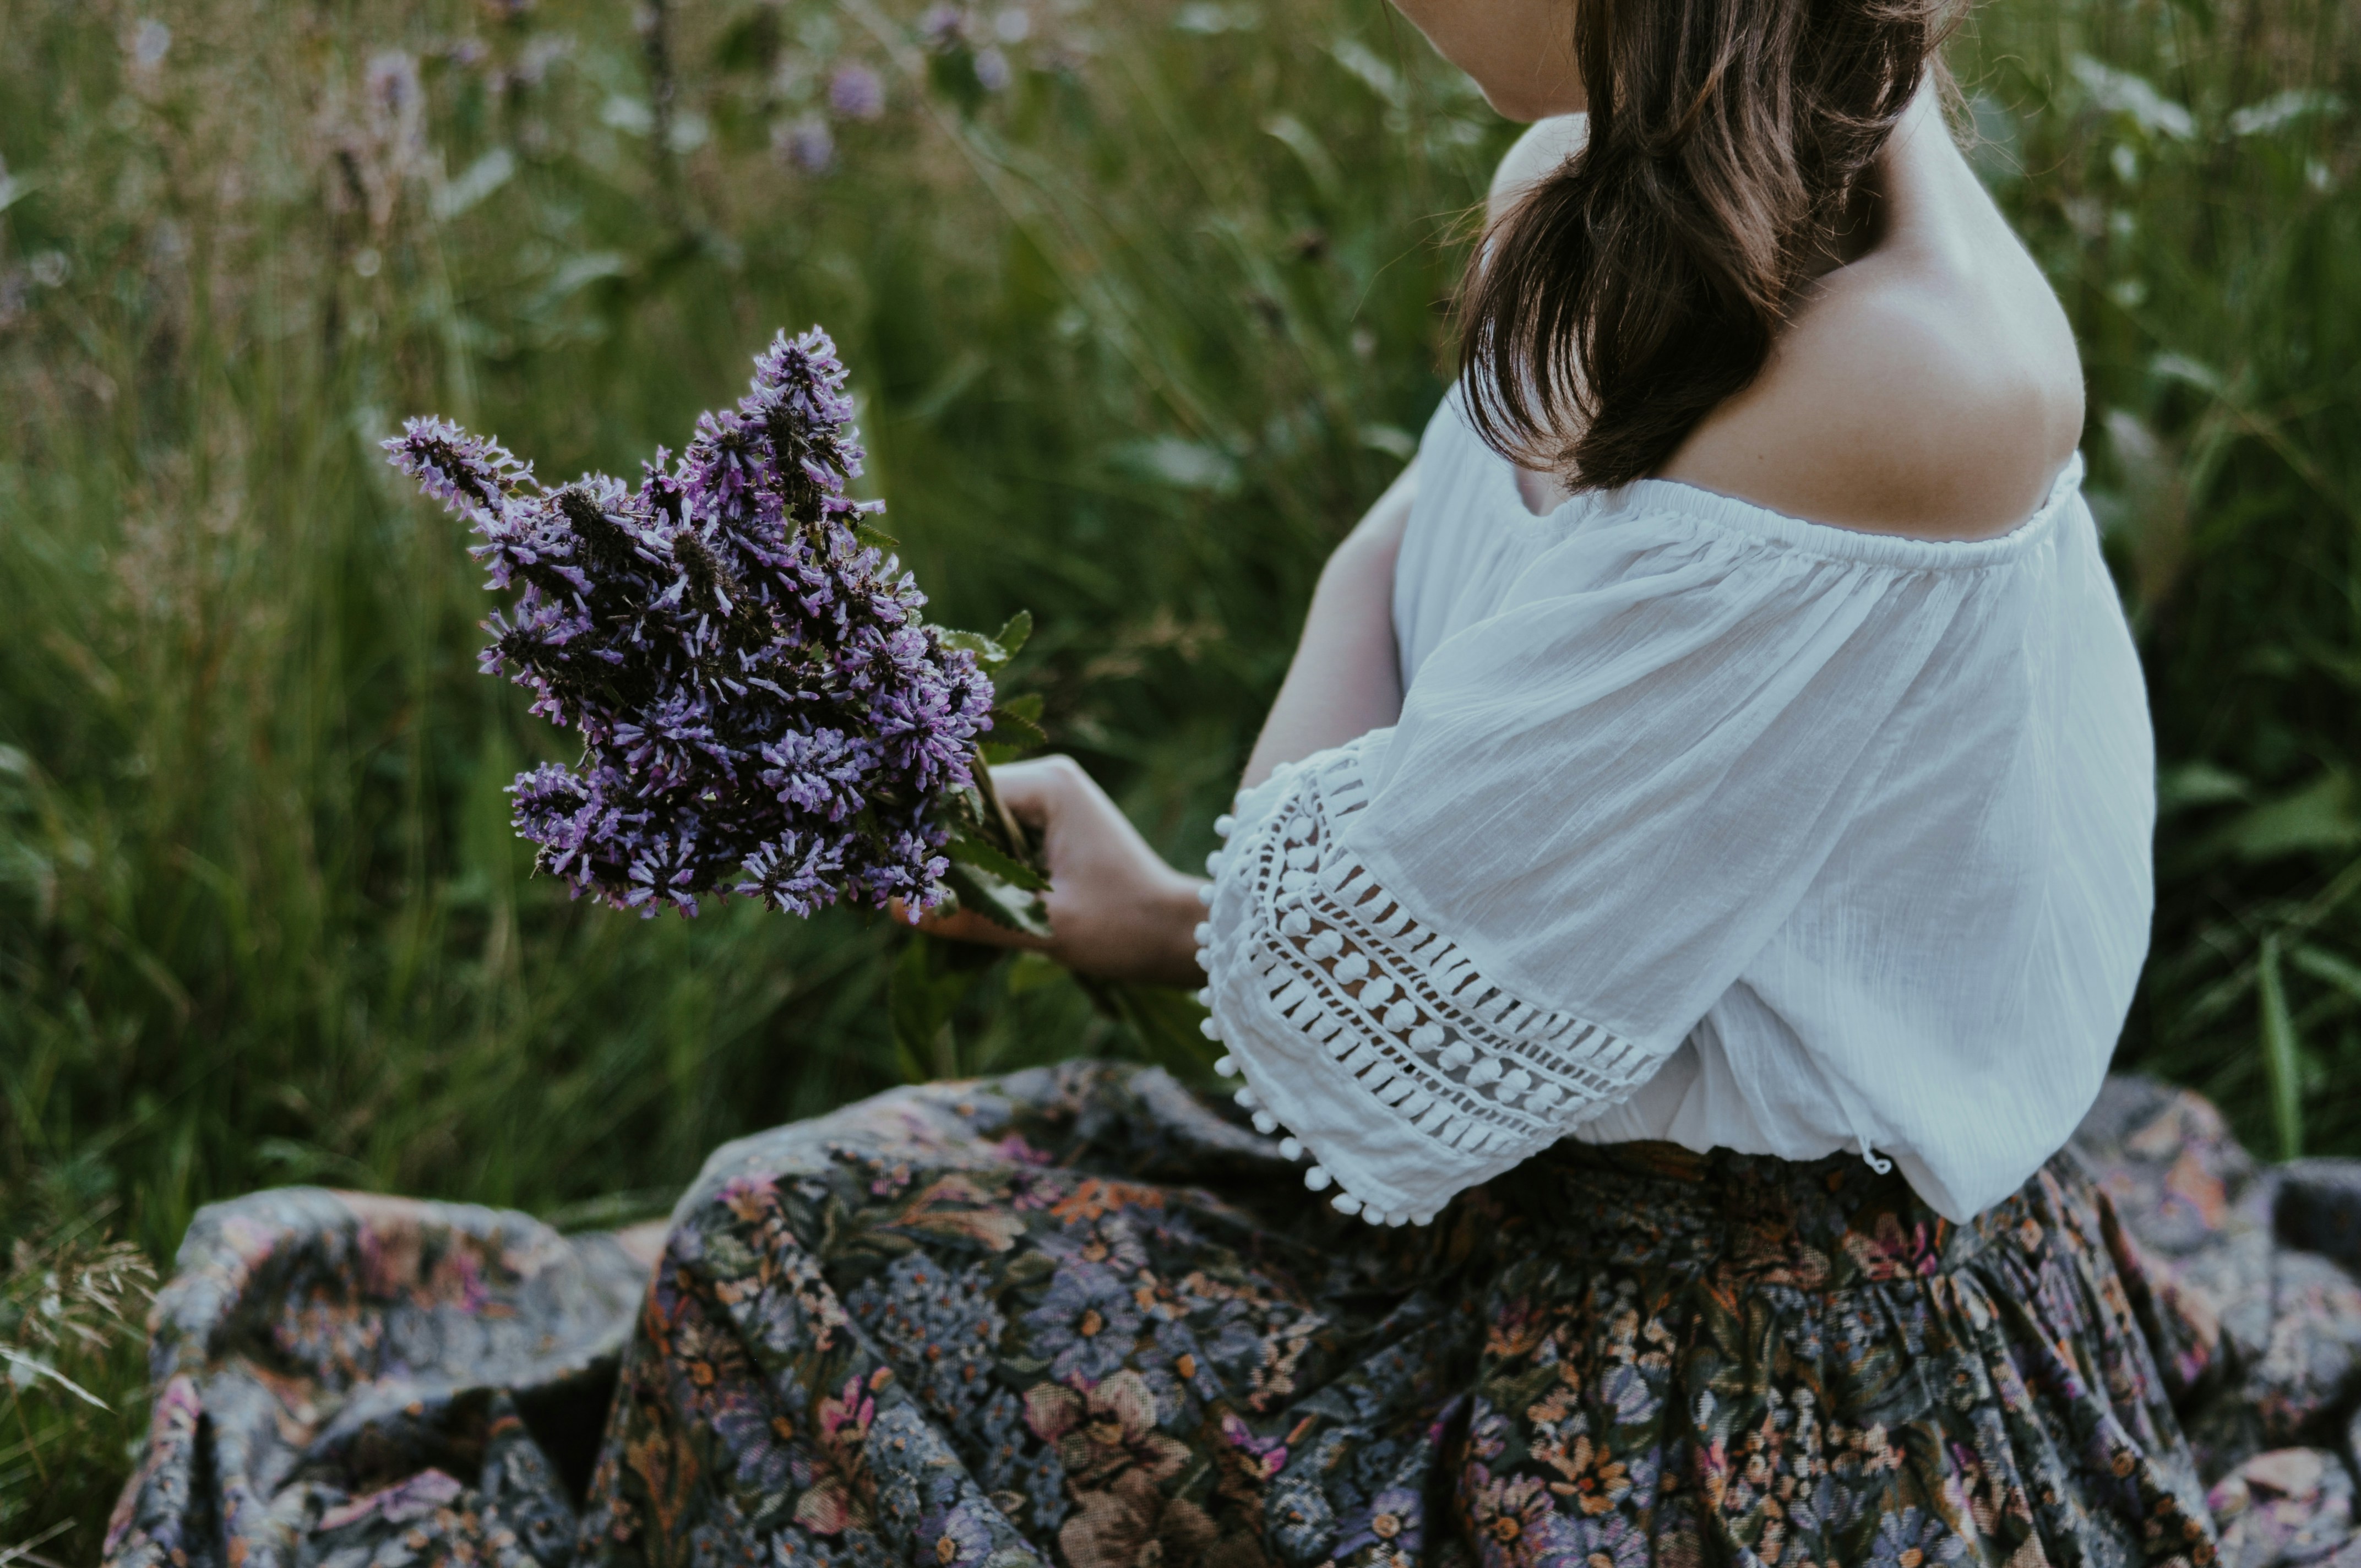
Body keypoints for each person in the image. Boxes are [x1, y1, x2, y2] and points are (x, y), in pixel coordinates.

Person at [107, 0, 2262, 1562]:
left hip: (1727, 1357)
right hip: (1532, 1171)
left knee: (790, 1261)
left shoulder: (1911, 381)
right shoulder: (1607, 191)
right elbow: (1411, 557)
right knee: (786, 1225)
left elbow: (1360, 990)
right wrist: (1220, 912)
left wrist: (1221, 924)